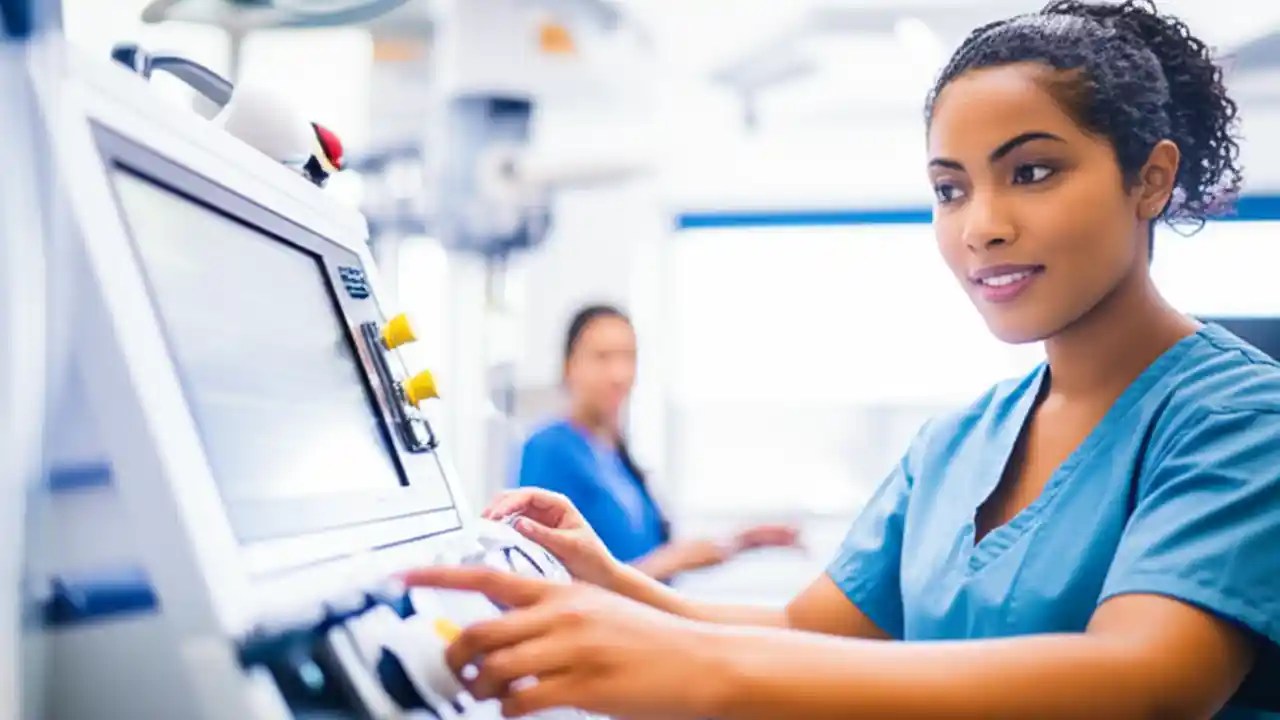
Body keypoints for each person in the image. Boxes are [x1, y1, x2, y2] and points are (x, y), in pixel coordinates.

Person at [407, 2, 1280, 718]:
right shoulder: (958, 444)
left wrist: (697, 675)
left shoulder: (1238, 422)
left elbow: (1142, 684)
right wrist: (612, 586)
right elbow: (804, 629)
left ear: (1150, 179)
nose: (981, 225)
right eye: (950, 188)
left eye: (1033, 172)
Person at [514, 304, 800, 581]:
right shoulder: (549, 449)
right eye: (602, 357)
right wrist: (675, 560)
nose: (619, 374)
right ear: (569, 366)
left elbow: (640, 554)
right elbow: (549, 583)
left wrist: (743, 540)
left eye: (629, 357)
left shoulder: (616, 454)